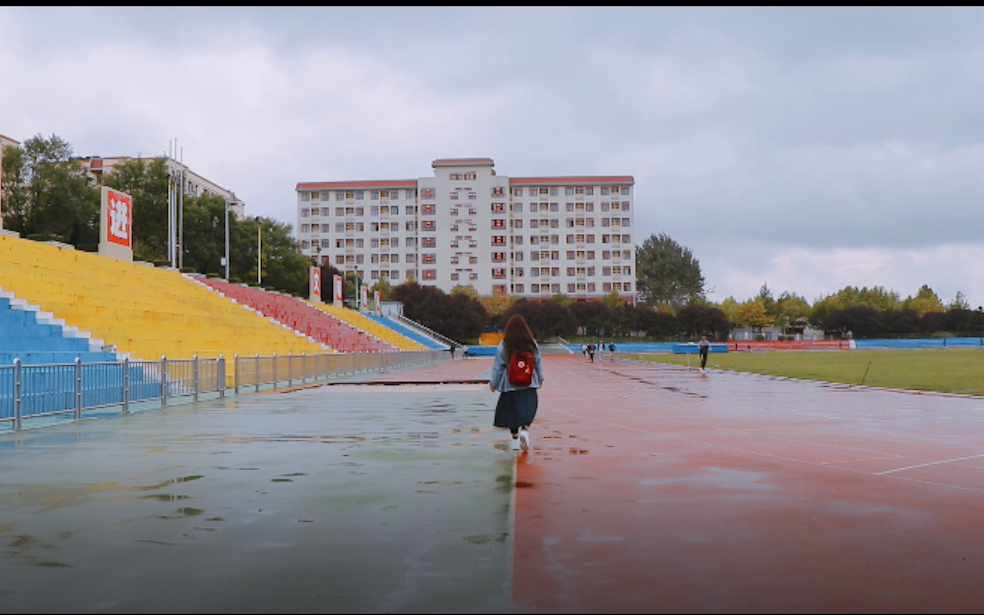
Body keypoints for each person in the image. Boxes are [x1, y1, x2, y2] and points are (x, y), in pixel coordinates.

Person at [490, 315, 545, 452]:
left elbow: (498, 366)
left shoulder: (504, 344)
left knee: (511, 414)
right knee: (527, 409)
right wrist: (539, 378)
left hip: (509, 384)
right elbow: (538, 362)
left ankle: (514, 439)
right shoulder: (531, 343)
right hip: (528, 383)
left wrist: (494, 383)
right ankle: (525, 431)